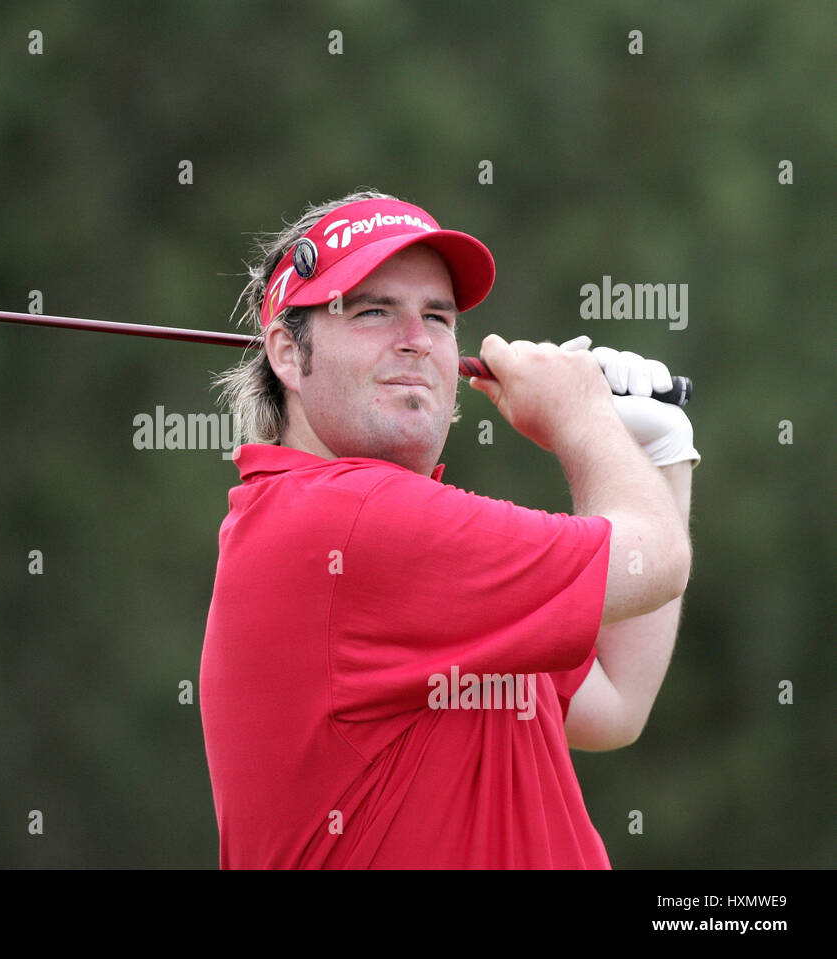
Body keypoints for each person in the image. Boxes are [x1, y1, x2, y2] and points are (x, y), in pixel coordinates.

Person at [200, 190, 697, 868]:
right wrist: (583, 420)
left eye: (436, 316)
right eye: (373, 310)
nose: (415, 339)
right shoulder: (348, 519)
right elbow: (656, 558)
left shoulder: (400, 549)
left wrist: (657, 452)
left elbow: (615, 700)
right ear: (288, 353)